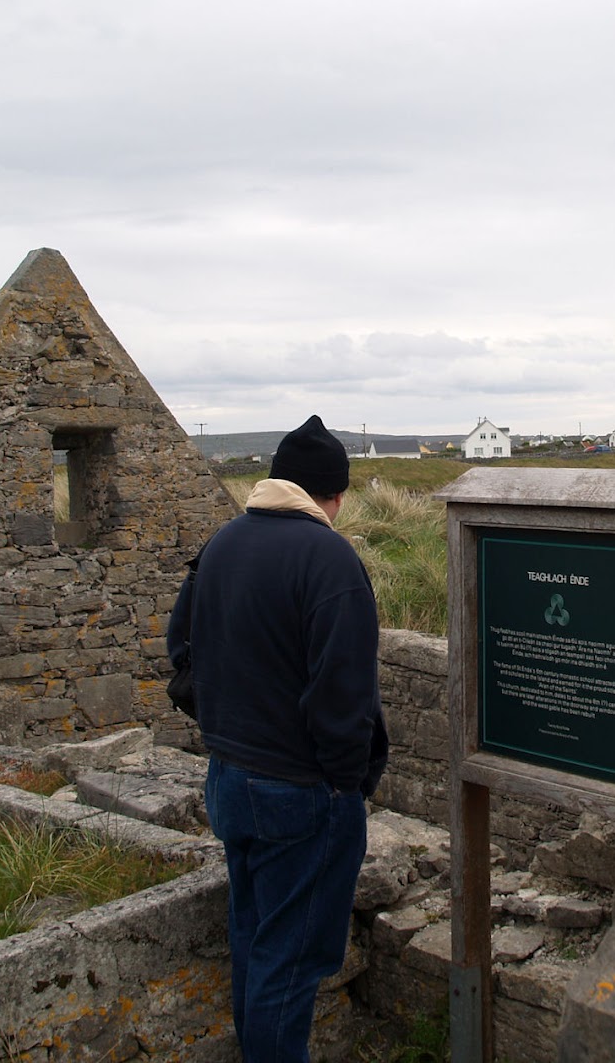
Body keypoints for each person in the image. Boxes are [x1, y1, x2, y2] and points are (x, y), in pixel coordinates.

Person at [171, 414, 387, 1062]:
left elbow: (182, 653)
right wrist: (344, 783)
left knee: (256, 942)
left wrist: (225, 723)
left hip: (229, 776)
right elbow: (343, 692)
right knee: (290, 964)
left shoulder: (223, 543)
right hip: (302, 790)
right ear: (333, 493)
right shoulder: (329, 558)